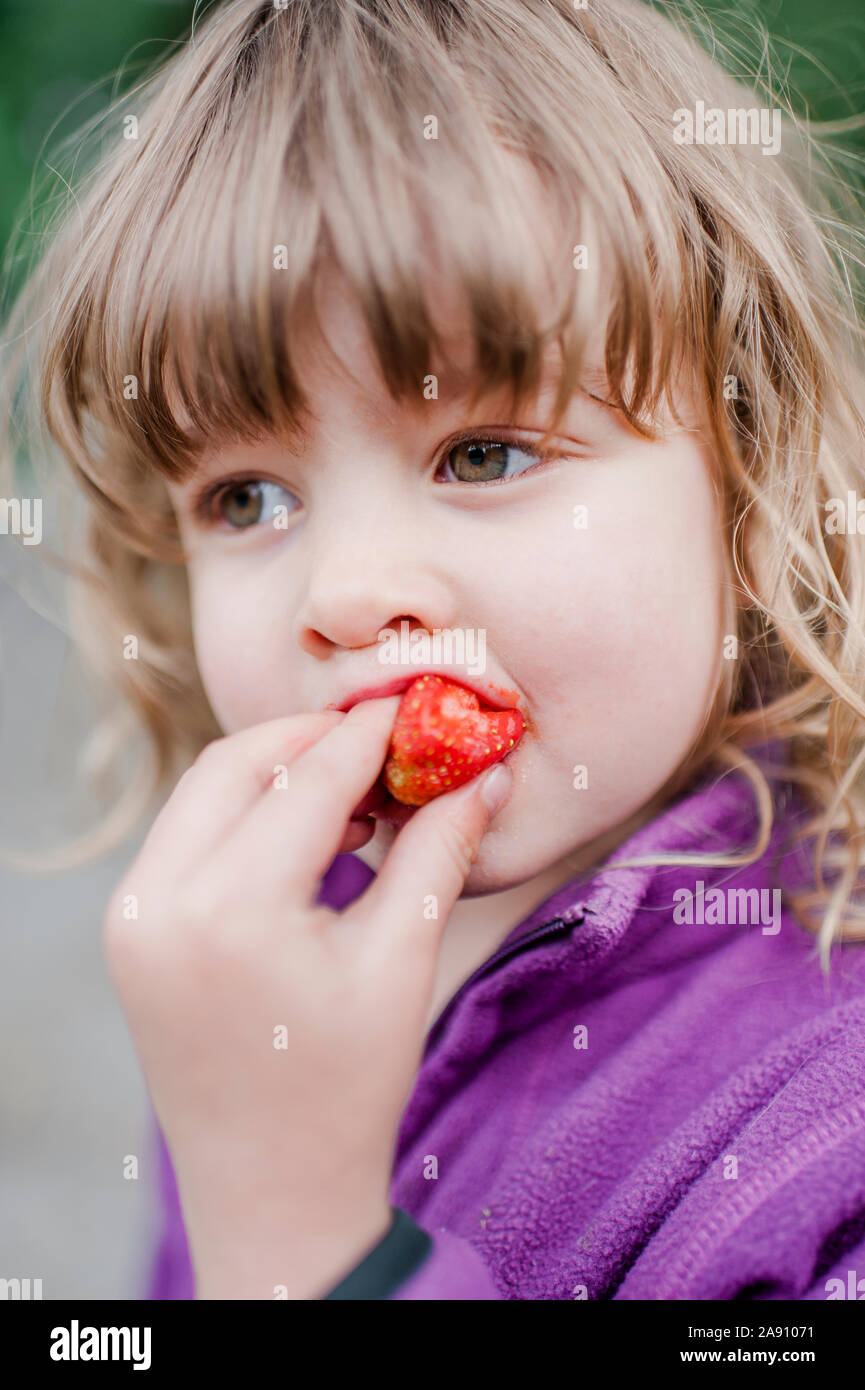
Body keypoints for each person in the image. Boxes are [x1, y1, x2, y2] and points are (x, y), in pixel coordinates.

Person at [4, 0, 865, 1299]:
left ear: (750, 492)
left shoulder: (821, 1122)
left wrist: (315, 1250)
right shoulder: (259, 964)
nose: (345, 593)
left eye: (483, 454)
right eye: (247, 497)